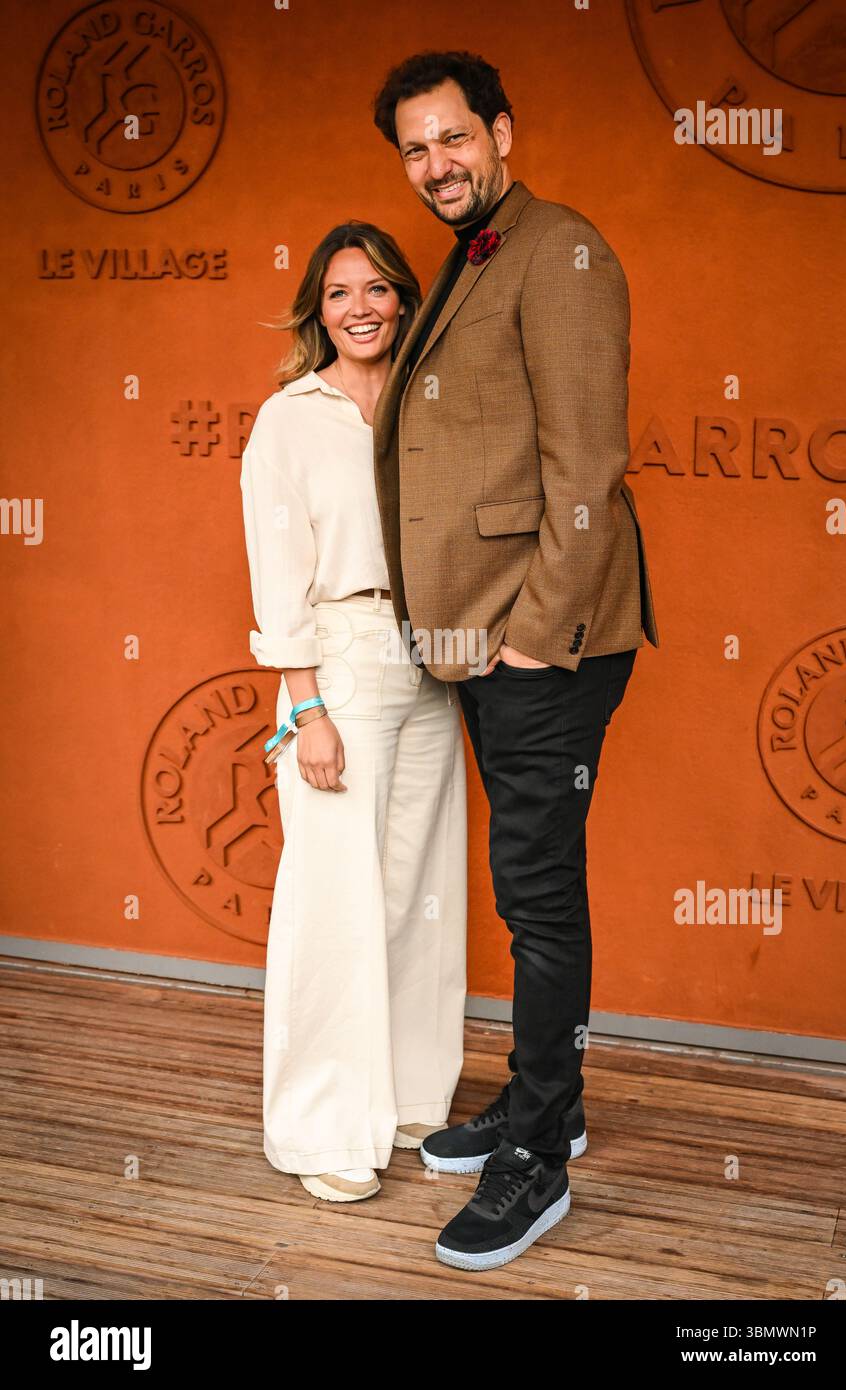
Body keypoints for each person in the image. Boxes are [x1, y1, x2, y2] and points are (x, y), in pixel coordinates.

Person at [370, 51, 660, 1269]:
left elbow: (585, 470)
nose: (435, 165)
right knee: (524, 886)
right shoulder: (480, 251)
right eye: (413, 150)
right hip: (483, 635)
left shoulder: (563, 249)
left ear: (500, 128)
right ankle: (550, 1094)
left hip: (546, 635)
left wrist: (538, 634)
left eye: (451, 139)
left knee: (536, 899)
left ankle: (534, 1153)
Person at [239, 221, 468, 1204]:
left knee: (420, 879)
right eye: (339, 293)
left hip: (433, 661)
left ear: (403, 300)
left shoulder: (432, 402)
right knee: (334, 894)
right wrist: (306, 711)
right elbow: (276, 577)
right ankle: (323, 1123)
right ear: (316, 310)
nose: (360, 308)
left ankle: (411, 1094)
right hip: (340, 658)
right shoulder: (288, 417)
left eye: (376, 289)